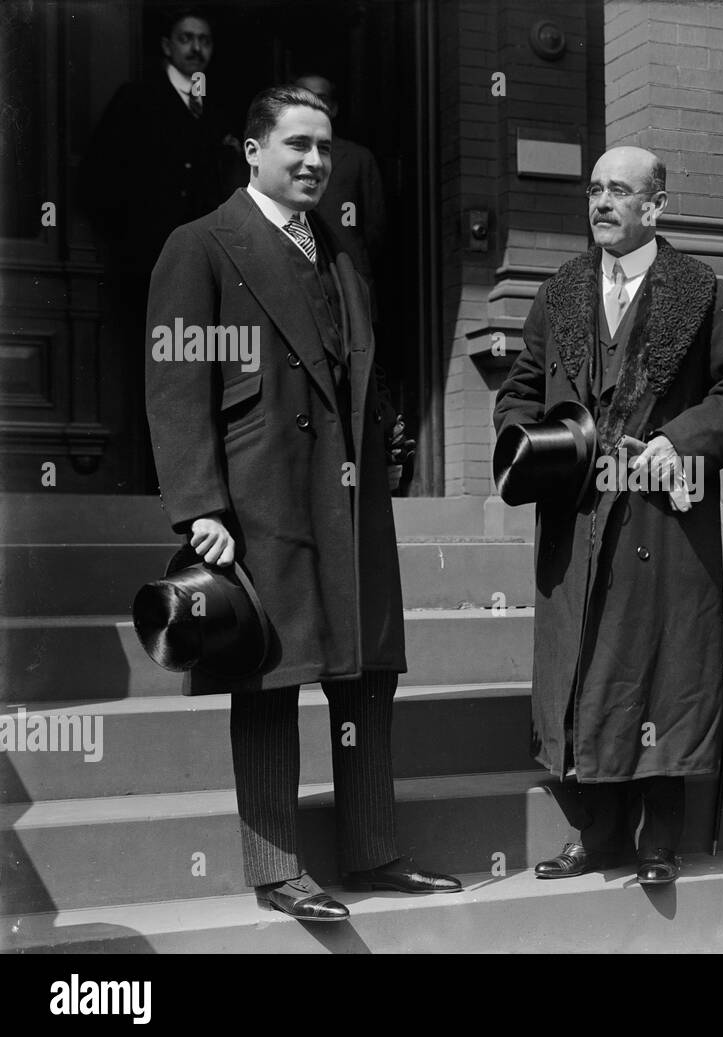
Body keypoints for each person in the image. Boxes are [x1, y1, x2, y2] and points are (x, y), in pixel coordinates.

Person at [145, 84, 454, 922]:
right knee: (269, 675)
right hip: (261, 494)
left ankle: (373, 850)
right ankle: (278, 870)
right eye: (297, 146)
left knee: (366, 677)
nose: (316, 161)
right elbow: (176, 384)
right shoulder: (203, 245)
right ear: (253, 152)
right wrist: (200, 506)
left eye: (325, 147)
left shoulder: (340, 251)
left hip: (349, 496)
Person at [493, 145, 723, 886]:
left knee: (660, 676)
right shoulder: (561, 292)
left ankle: (657, 843)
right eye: (595, 190)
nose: (602, 203)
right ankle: (596, 833)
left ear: (657, 206)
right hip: (576, 518)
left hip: (659, 522)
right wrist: (531, 441)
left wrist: (679, 441)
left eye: (620, 190)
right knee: (582, 677)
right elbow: (519, 388)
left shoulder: (701, 292)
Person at [80, 8, 240, 489]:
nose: (196, 48)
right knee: (151, 368)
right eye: (187, 39)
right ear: (168, 47)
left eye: (205, 40)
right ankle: (148, 483)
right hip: (145, 264)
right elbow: (96, 180)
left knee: (200, 367)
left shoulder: (217, 108)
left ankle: (194, 484)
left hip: (206, 265)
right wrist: (131, 240)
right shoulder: (136, 100)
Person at [293, 74, 386, 293]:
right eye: (303, 97)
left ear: (333, 108)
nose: (312, 103)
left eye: (321, 98)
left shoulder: (358, 158)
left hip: (347, 279)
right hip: (294, 277)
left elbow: (374, 228)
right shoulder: (279, 156)